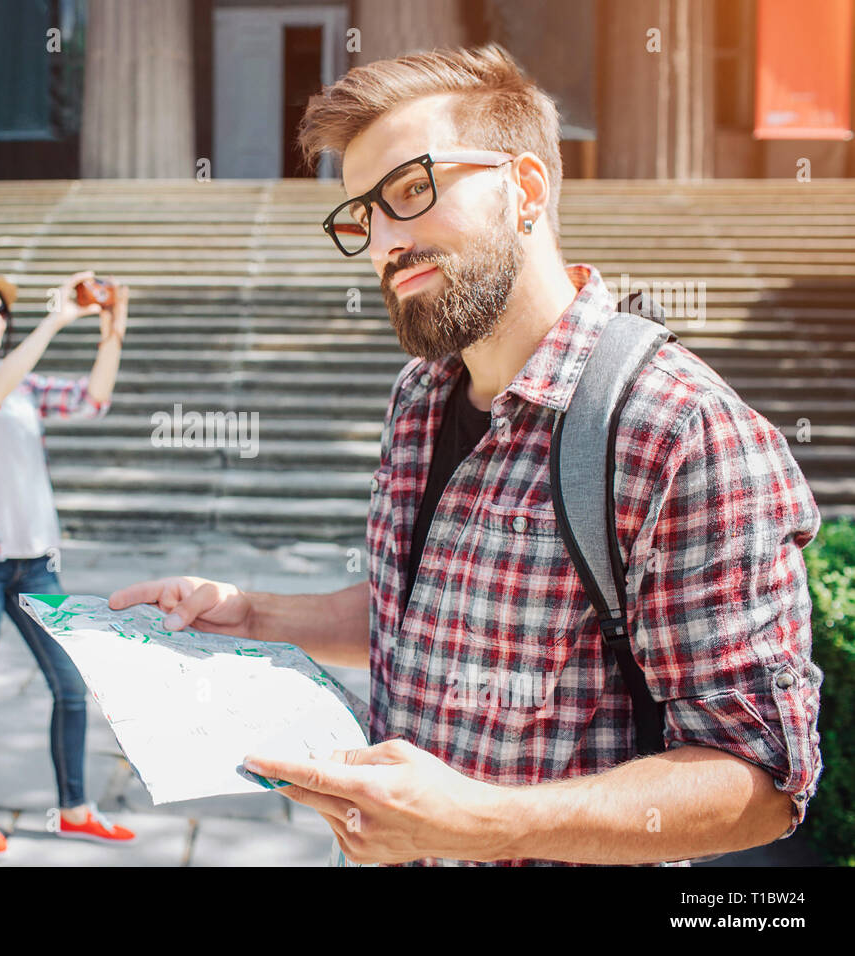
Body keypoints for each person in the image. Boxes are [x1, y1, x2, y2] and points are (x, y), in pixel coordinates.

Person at [109, 43, 824, 867]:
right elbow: (422, 618)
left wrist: (485, 822)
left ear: (525, 188)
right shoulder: (420, 395)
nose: (383, 242)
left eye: (412, 190)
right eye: (361, 216)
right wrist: (257, 616)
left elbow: (763, 779)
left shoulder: (679, 428)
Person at [0, 264, 136, 861]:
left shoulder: (25, 386)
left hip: (34, 566)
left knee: (71, 686)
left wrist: (110, 330)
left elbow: (92, 401)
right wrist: (58, 317)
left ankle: (74, 809)